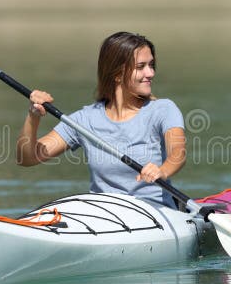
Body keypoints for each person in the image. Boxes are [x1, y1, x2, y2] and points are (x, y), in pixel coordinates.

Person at [16, 31, 186, 208]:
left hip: (155, 212)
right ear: (117, 75)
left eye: (151, 65)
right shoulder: (84, 120)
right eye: (141, 66)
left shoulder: (163, 109)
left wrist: (162, 171)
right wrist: (33, 116)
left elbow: (178, 154)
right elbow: (27, 158)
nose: (150, 73)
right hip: (105, 214)